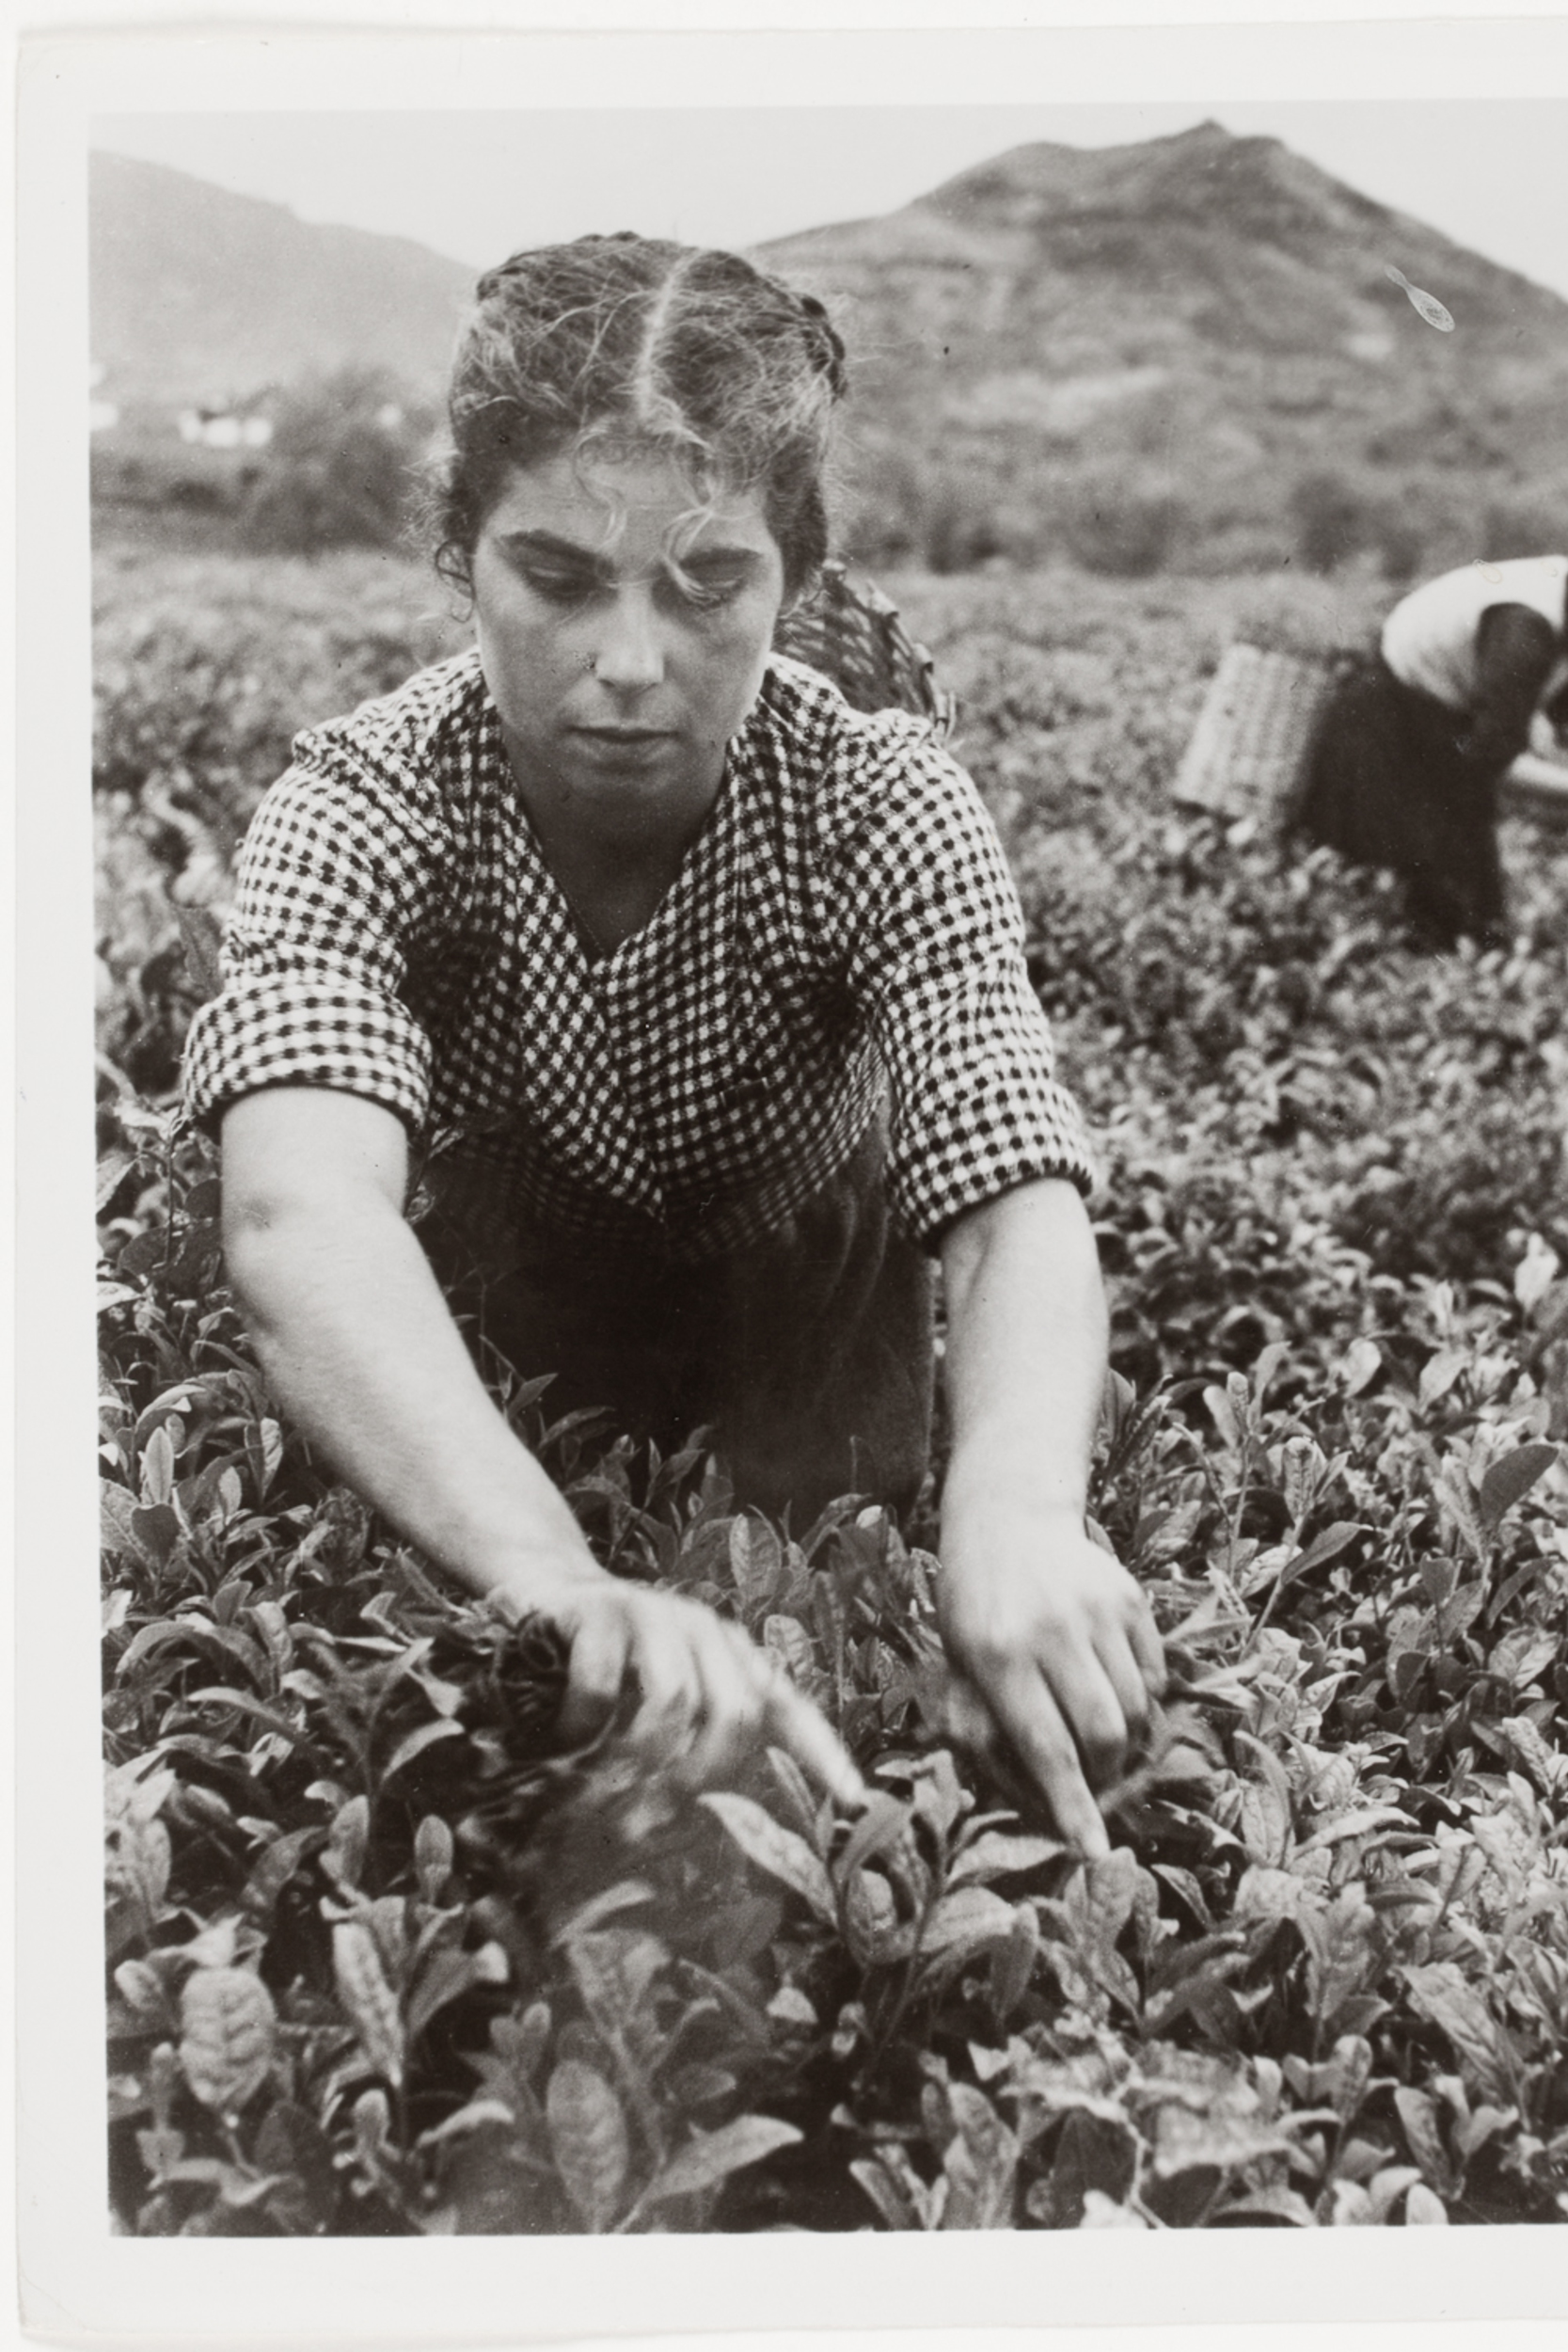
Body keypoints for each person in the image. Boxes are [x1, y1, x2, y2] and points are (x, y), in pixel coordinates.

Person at [181, 232, 1164, 1859]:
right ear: (460, 555)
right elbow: (304, 1215)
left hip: (810, 1294)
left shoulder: (877, 797)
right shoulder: (361, 803)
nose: (629, 664)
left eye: (708, 586)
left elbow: (1008, 1193)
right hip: (506, 1299)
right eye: (556, 577)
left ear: (797, 578)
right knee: (544, 1707)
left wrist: (1016, 1512)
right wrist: (557, 1578)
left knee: (839, 1686)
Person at [1293, 518, 1568, 946]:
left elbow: (1565, 715)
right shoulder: (1525, 627)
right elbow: (1499, 764)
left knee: (1464, 904)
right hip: (1385, 727)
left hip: (1440, 725)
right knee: (1398, 899)